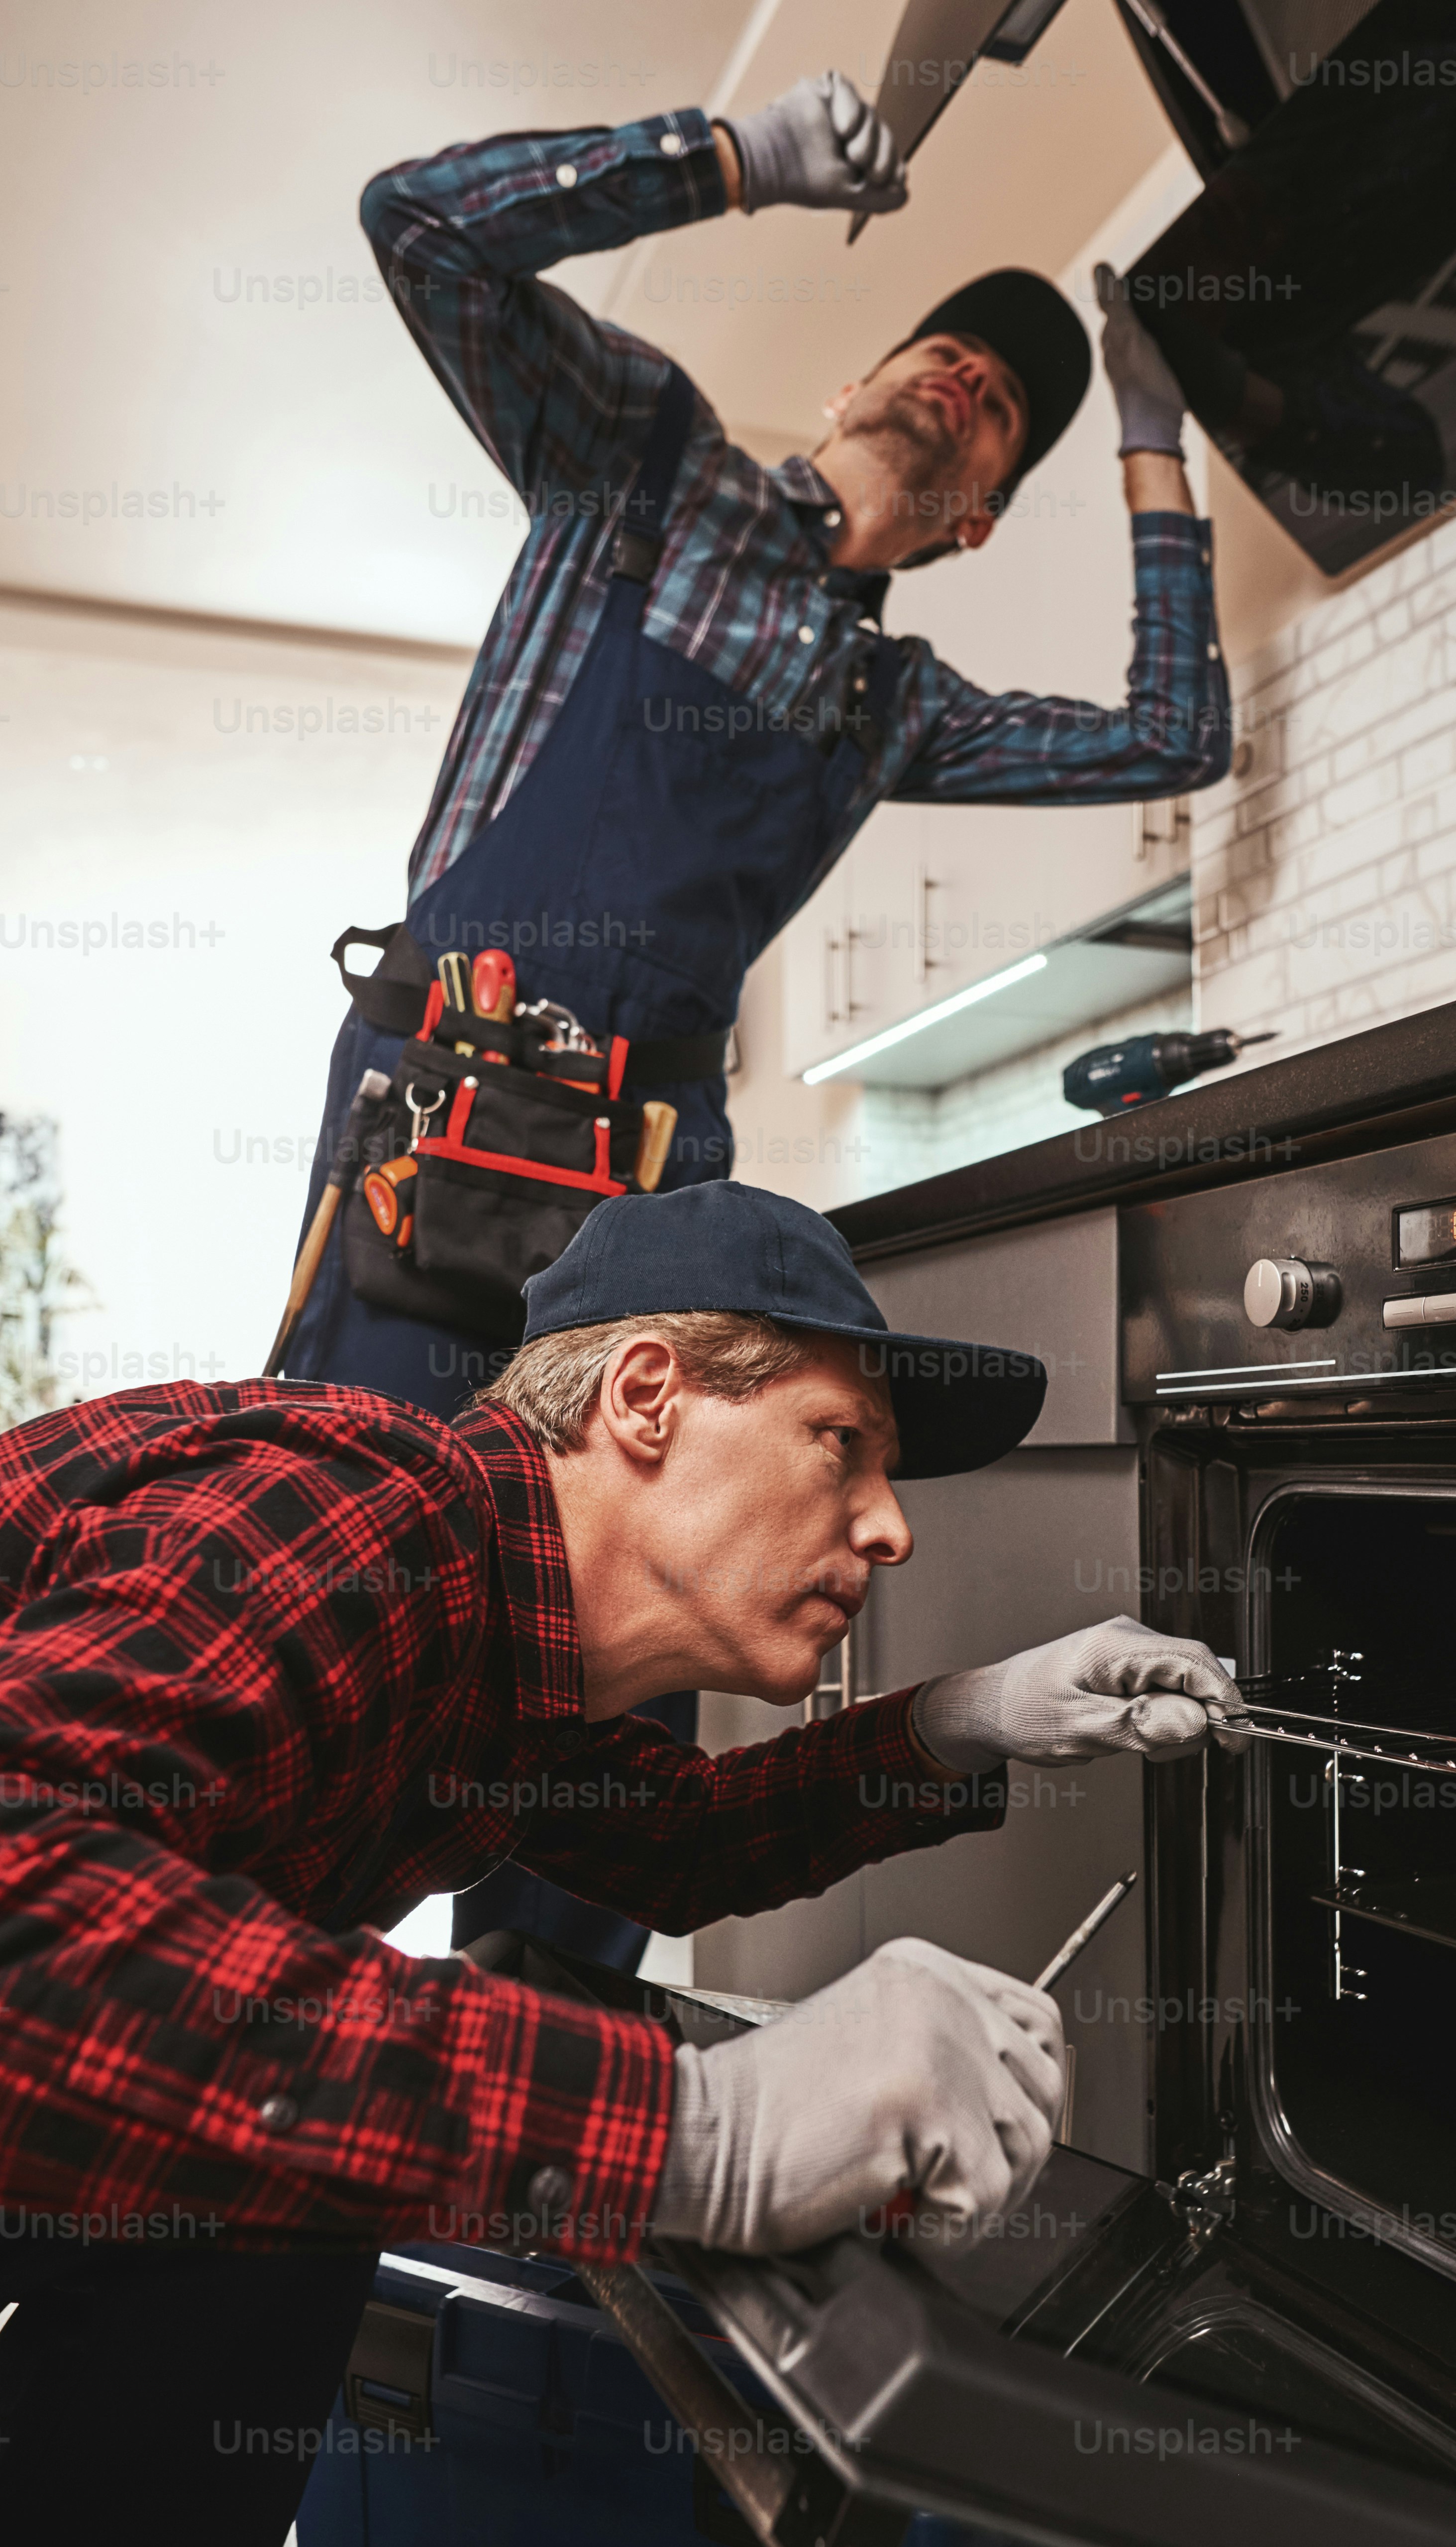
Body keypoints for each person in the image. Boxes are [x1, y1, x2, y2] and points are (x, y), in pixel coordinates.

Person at [0, 1182, 1241, 2547]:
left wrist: (963, 1724)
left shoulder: (493, 1648)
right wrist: (701, 2136)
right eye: (844, 1443)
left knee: (297, 2143)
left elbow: (671, 1839)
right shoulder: (354, 1511)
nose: (891, 1527)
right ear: (648, 1398)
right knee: (302, 2148)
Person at [275, 66, 1228, 1966]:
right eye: (948, 350)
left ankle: (560, 2177)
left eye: (1008, 405)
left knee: (619, 1681)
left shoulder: (898, 705)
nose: (968, 381)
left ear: (973, 523)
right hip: (443, 1137)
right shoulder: (642, 467)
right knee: (334, 1619)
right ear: (868, 369)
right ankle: (219, 2079)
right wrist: (731, 161)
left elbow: (1171, 735)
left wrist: (1148, 452)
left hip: (650, 1215)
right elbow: (422, 220)